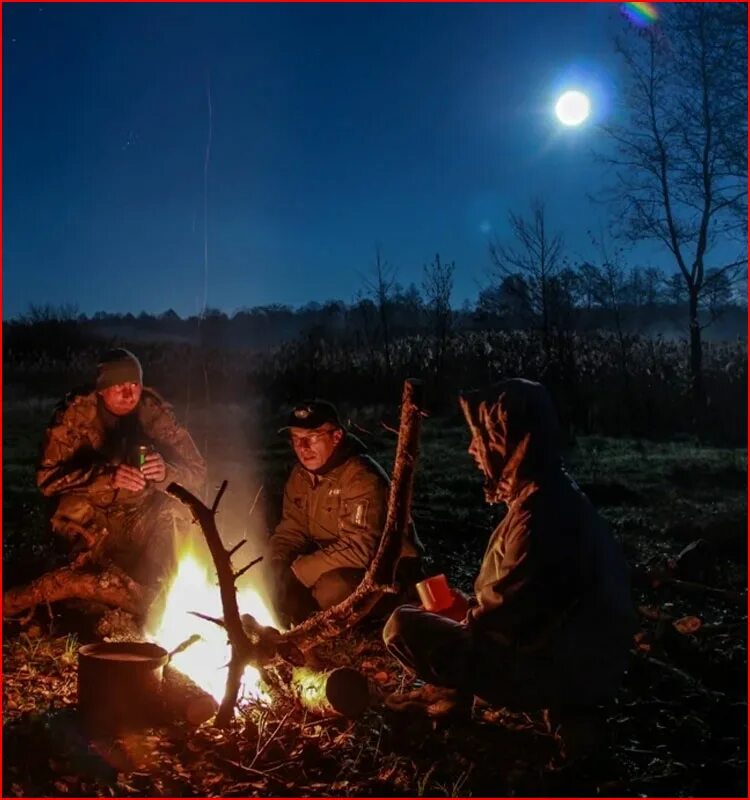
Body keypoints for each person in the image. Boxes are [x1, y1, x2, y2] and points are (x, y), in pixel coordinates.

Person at [383, 379, 635, 756]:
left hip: (557, 669)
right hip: (588, 663)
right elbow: (532, 603)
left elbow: (500, 625)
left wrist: (461, 616)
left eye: (480, 439)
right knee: (444, 617)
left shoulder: (536, 519)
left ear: (507, 443)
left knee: (402, 624)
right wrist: (469, 608)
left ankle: (454, 696)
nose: (471, 449)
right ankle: (570, 713)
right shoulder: (556, 495)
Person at [37, 348, 206, 592]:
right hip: (94, 513)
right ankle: (80, 587)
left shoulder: (153, 411)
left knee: (177, 508)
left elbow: (198, 472)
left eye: (134, 385)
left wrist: (166, 473)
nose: (129, 394)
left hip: (139, 514)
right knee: (70, 510)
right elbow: (47, 480)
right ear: (102, 389)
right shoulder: (75, 414)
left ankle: (161, 587)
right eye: (119, 387)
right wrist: (107, 477)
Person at [267, 399, 423, 626]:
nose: (303, 447)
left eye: (312, 437)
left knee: (332, 589)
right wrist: (275, 563)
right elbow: (292, 528)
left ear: (336, 436)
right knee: (272, 574)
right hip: (334, 556)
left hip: (387, 567)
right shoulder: (300, 477)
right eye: (296, 439)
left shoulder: (361, 477)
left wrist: (301, 570)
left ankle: (389, 607)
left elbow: (362, 548)